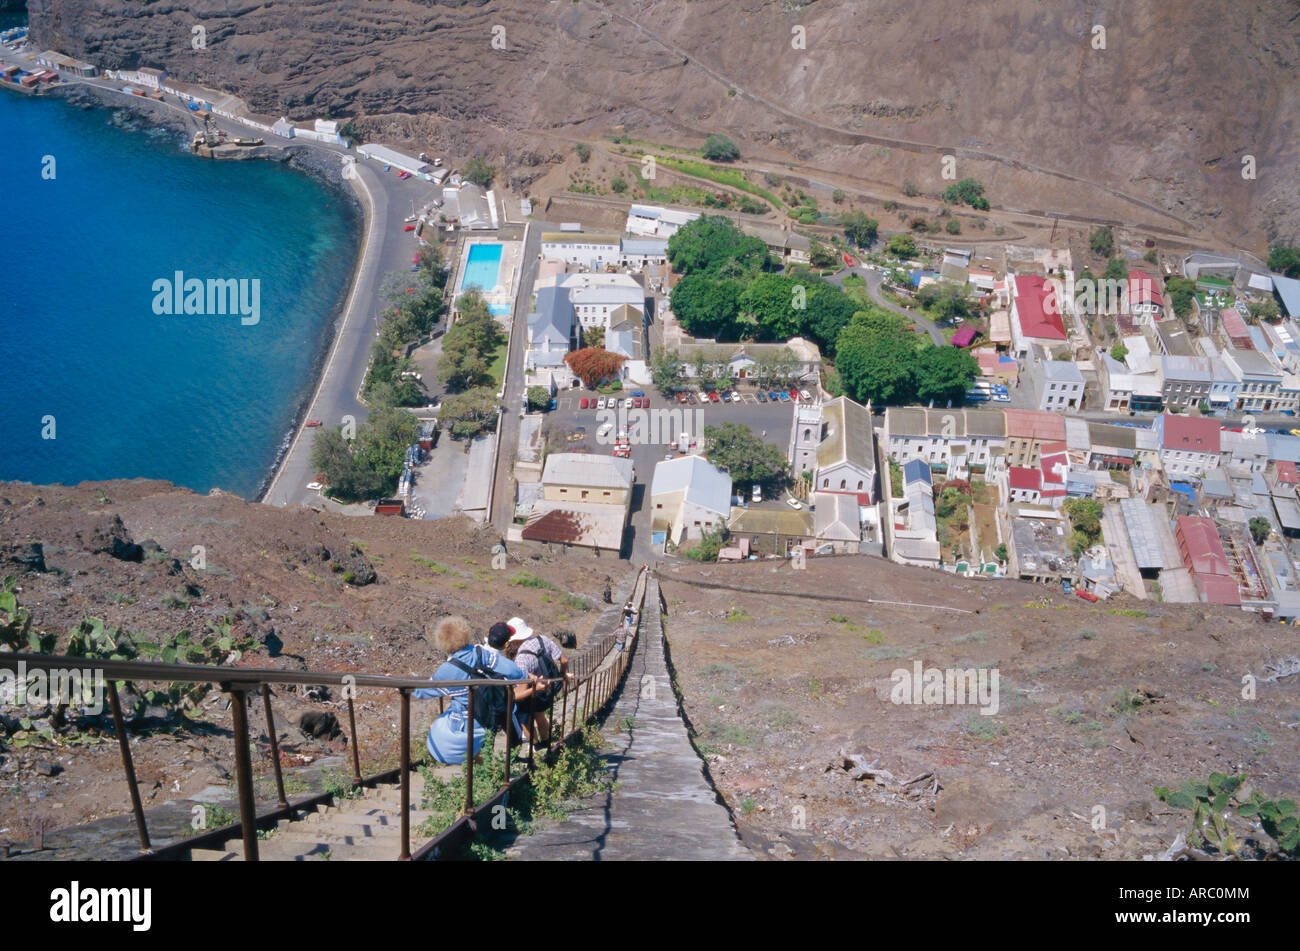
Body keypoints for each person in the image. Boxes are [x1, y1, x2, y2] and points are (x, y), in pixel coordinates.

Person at [413, 616, 544, 764]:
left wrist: (405, 687)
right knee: (493, 736)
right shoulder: (481, 653)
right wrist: (526, 675)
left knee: (444, 732)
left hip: (466, 721)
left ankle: (479, 773)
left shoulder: (446, 670)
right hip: (490, 711)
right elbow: (511, 670)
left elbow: (422, 691)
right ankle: (494, 771)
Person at [496, 617, 571, 745]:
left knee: (524, 720)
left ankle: (535, 748)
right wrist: (563, 674)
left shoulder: (522, 657)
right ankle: (546, 742)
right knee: (540, 715)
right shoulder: (543, 640)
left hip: (534, 692)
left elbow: (521, 691)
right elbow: (564, 659)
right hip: (548, 689)